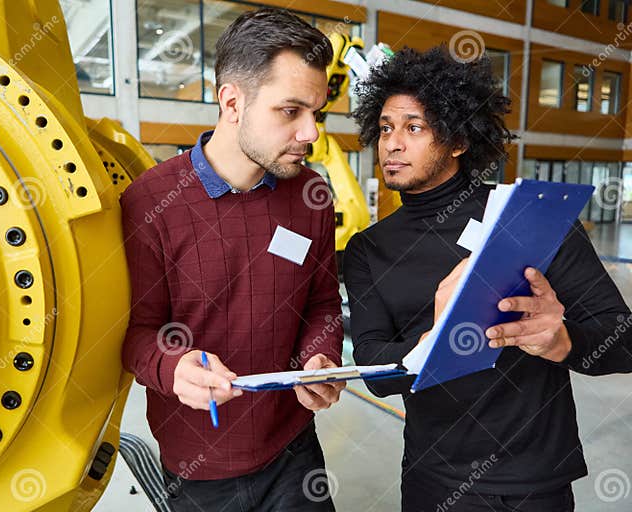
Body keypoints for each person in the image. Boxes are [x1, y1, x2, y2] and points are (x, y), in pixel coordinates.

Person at [345, 45, 632, 512]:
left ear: (458, 141)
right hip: (433, 480)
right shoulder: (368, 249)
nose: (392, 143)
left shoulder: (530, 218)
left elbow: (624, 337)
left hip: (535, 481)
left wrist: (562, 341)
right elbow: (375, 369)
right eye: (385, 128)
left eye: (414, 127)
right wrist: (434, 339)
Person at [121, 8, 344, 511]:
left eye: (316, 112)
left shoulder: (311, 194)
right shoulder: (151, 202)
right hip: (199, 462)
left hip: (293, 450)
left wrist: (319, 356)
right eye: (290, 111)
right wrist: (172, 367)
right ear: (232, 102)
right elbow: (135, 333)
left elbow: (324, 301)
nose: (310, 133)